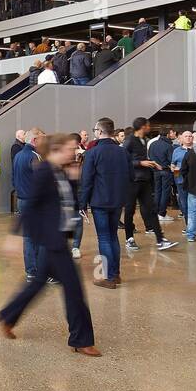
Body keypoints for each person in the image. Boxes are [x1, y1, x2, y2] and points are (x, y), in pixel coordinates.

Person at [0, 133, 100, 356]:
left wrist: (73, 178)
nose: (73, 152)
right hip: (52, 240)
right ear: (56, 150)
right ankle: (81, 340)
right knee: (74, 290)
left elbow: (67, 202)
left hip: (58, 236)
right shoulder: (44, 171)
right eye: (69, 149)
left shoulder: (60, 171)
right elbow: (31, 204)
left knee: (37, 284)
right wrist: (14, 236)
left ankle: (8, 316)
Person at [78, 118, 128, 288]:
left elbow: (86, 180)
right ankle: (116, 274)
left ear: (99, 132)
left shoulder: (92, 153)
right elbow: (130, 177)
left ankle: (108, 277)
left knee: (104, 238)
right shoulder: (123, 152)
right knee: (113, 236)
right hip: (117, 201)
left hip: (100, 201)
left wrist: (82, 204)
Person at [123, 118, 175, 251]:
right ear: (142, 127)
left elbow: (140, 159)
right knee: (130, 210)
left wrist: (151, 162)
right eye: (148, 125)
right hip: (132, 181)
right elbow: (123, 161)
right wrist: (140, 163)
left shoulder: (144, 141)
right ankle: (129, 238)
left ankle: (160, 239)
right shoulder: (129, 141)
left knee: (151, 210)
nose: (149, 127)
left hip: (144, 180)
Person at [12, 129, 45, 280]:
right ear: (34, 141)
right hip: (35, 201)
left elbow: (14, 178)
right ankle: (38, 269)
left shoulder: (18, 155)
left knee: (29, 237)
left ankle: (31, 271)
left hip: (22, 199)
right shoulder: (34, 157)